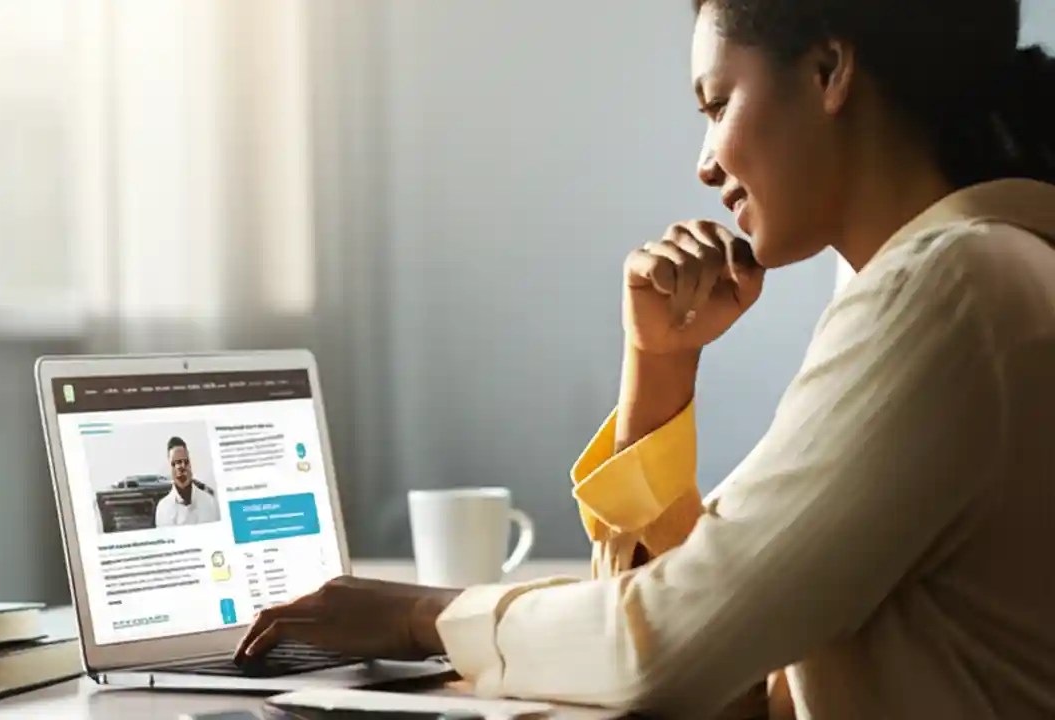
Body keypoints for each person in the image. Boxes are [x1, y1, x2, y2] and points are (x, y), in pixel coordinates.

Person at [235, 1, 1055, 718]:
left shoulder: (952, 289)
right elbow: (725, 657)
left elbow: (666, 648)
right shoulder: (984, 275)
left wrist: (422, 619)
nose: (706, 164)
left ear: (828, 70)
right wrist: (659, 368)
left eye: (718, 103)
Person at [155, 436, 220, 527]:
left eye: (185, 462)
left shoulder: (209, 502)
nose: (182, 468)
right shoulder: (163, 509)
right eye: (175, 463)